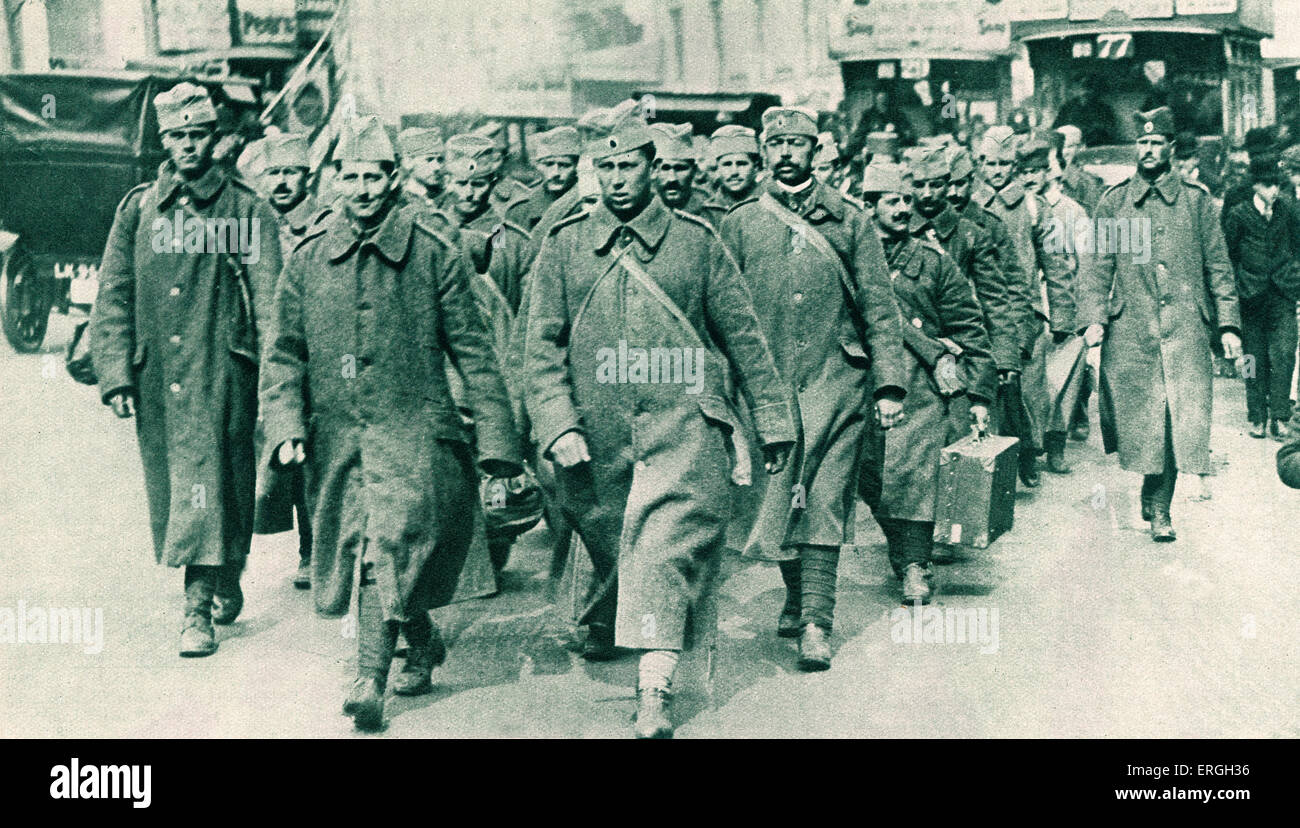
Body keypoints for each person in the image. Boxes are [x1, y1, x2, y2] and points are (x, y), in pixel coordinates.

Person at [523, 121, 796, 738]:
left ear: (654, 167)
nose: (618, 181)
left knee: (662, 556)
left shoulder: (698, 243)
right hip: (597, 444)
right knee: (618, 549)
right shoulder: (565, 246)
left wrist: (774, 420)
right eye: (607, 170)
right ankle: (616, 622)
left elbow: (744, 337)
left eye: (630, 168)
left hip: (685, 432)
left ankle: (653, 694)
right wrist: (557, 424)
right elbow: (539, 347)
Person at [259, 116, 523, 730]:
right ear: (335, 182)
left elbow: (475, 352)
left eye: (374, 176)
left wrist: (498, 448)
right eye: (350, 177)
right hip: (338, 438)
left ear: (394, 179)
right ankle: (421, 638)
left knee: (386, 544)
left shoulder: (434, 254)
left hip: (415, 434)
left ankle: (368, 678)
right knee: (366, 547)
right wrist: (285, 425)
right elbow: (283, 353)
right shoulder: (305, 261)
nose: (362, 189)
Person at [89, 82, 282, 657]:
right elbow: (114, 294)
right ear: (163, 140)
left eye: (199, 135)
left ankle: (209, 590)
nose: (189, 146)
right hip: (158, 379)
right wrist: (116, 374)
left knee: (224, 481)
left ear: (215, 137)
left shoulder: (244, 208)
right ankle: (209, 588)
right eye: (177, 136)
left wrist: (277, 383)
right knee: (184, 487)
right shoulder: (138, 209)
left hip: (224, 372)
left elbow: (271, 299)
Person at [718, 106, 907, 672]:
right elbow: (722, 313)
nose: (785, 154)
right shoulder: (741, 221)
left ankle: (816, 621)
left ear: (816, 149)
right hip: (768, 388)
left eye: (797, 144)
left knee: (822, 500)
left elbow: (879, 306)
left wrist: (889, 383)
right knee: (783, 495)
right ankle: (797, 593)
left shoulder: (850, 219)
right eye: (777, 145)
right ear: (765, 150)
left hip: (836, 382)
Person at [1077, 107, 1242, 542]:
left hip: (1185, 329)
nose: (1148, 151)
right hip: (1131, 331)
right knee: (1141, 420)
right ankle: (1150, 489)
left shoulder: (1197, 200)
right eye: (1143, 143)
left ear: (1171, 148)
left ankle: (1162, 507)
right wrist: (1093, 319)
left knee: (1177, 420)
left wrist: (1227, 325)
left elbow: (1219, 267)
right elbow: (1096, 266)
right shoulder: (1114, 202)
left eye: (1157, 144)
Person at [859, 160, 995, 603]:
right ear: (869, 204)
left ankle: (916, 565)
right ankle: (904, 553)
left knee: (915, 477)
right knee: (871, 479)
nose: (902, 209)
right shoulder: (849, 258)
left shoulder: (932, 260)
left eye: (906, 200)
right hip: (860, 383)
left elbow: (970, 326)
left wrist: (978, 393)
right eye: (891, 201)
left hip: (920, 390)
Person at [972, 127, 1074, 486]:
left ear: (1014, 165)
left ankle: (1030, 451)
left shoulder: (1033, 208)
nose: (997, 170)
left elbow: (1055, 264)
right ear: (979, 163)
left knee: (1029, 391)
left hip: (1025, 313)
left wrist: (1061, 316)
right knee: (989, 389)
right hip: (982, 310)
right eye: (989, 163)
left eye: (1003, 163)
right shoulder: (969, 204)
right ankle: (997, 461)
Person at [906, 147, 1019, 434]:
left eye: (936, 185)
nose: (928, 194)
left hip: (962, 346)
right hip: (909, 346)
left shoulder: (971, 235)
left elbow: (994, 299)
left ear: (947, 183)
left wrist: (1005, 356)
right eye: (919, 186)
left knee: (961, 434)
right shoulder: (897, 230)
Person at [251, 132, 318, 589]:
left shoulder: (325, 222)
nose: (281, 182)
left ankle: (313, 549)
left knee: (313, 453)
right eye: (273, 173)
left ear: (306, 176)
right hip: (261, 354)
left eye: (290, 172)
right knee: (276, 455)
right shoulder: (252, 226)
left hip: (312, 355)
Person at [1221, 155, 1299, 440]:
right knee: (1253, 359)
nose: (1274, 190)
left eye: (1277, 184)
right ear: (1255, 185)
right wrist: (1237, 287)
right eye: (1267, 185)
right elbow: (1227, 256)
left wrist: (1294, 277)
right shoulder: (1239, 215)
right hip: (1250, 298)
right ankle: (1256, 415)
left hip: (1282, 296)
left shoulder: (1288, 210)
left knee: (1284, 356)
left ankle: (1280, 416)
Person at [1024, 133, 1088, 474]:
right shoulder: (1018, 208)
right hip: (1031, 308)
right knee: (1034, 385)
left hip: (1065, 305)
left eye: (1037, 170)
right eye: (1024, 170)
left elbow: (1087, 260)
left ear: (1050, 171)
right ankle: (1031, 445)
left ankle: (1057, 444)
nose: (1030, 177)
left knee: (1064, 383)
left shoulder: (1071, 212)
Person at [506, 126, 580, 231]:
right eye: (549, 164)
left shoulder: (586, 206)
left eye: (564, 165)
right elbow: (500, 245)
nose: (555, 173)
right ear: (538, 166)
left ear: (577, 167)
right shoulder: (520, 211)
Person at [648, 122, 713, 222]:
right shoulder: (639, 211)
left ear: (694, 171)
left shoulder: (711, 215)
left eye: (680, 168)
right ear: (653, 171)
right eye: (665, 168)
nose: (672, 178)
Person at [699, 125, 761, 226]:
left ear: (756, 167)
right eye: (727, 164)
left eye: (741, 164)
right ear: (718, 168)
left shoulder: (771, 205)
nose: (734, 172)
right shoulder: (707, 211)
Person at [1055, 125, 1105, 216]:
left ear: (1081, 148)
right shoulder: (1047, 178)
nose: (1063, 152)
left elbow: (1095, 220)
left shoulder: (1088, 184)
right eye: (1060, 147)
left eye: (1069, 146)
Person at [396, 127, 448, 214]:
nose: (437, 167)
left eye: (440, 160)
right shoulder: (400, 202)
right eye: (429, 160)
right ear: (408, 162)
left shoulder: (443, 198)